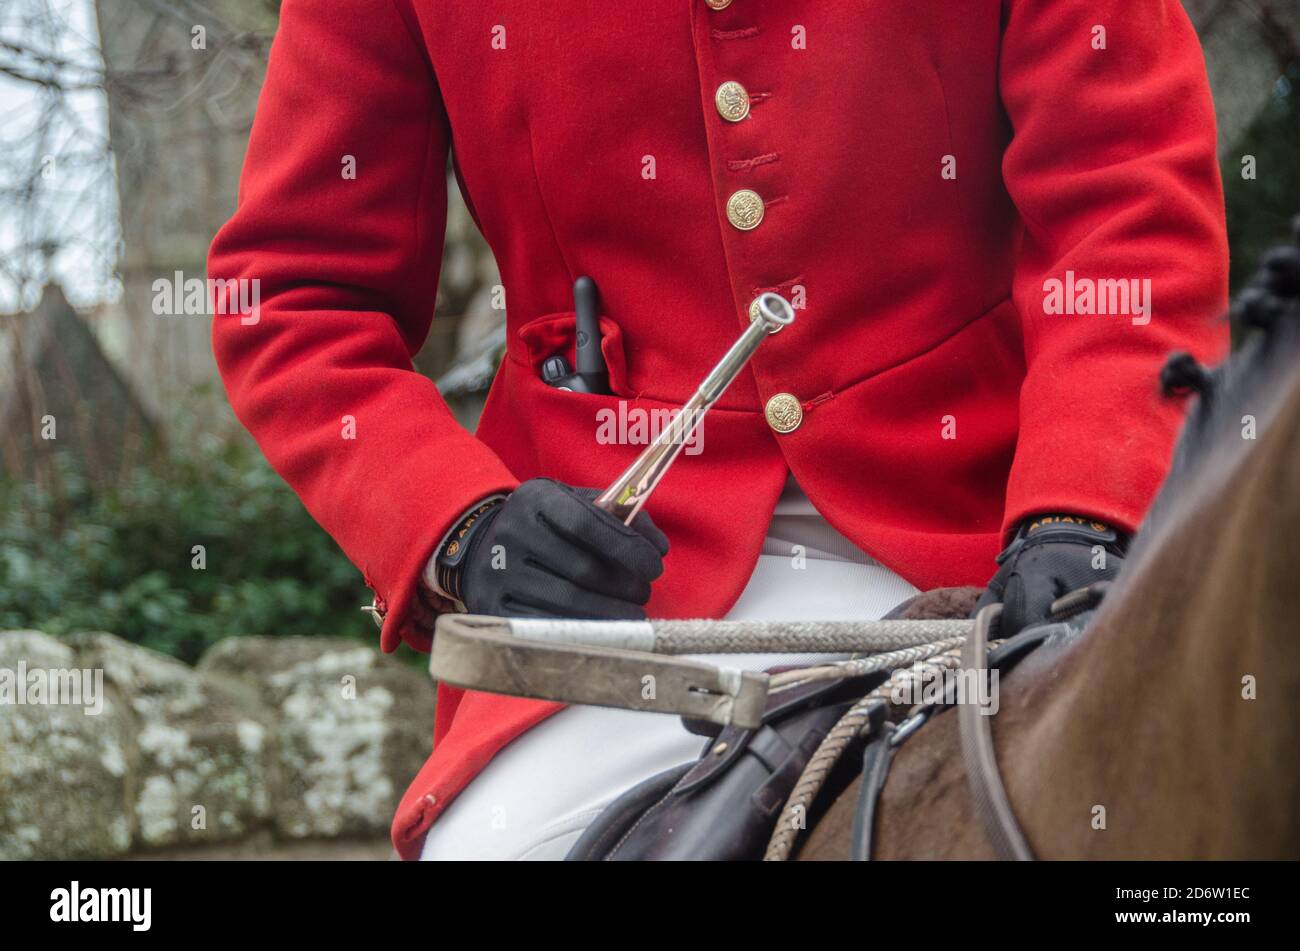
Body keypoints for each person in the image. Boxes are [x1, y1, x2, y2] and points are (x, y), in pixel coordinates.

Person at [208, 0, 1228, 859]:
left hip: (991, 534)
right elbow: (292, 295)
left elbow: (1125, 206)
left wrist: (1083, 505)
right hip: (621, 604)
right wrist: (458, 525)